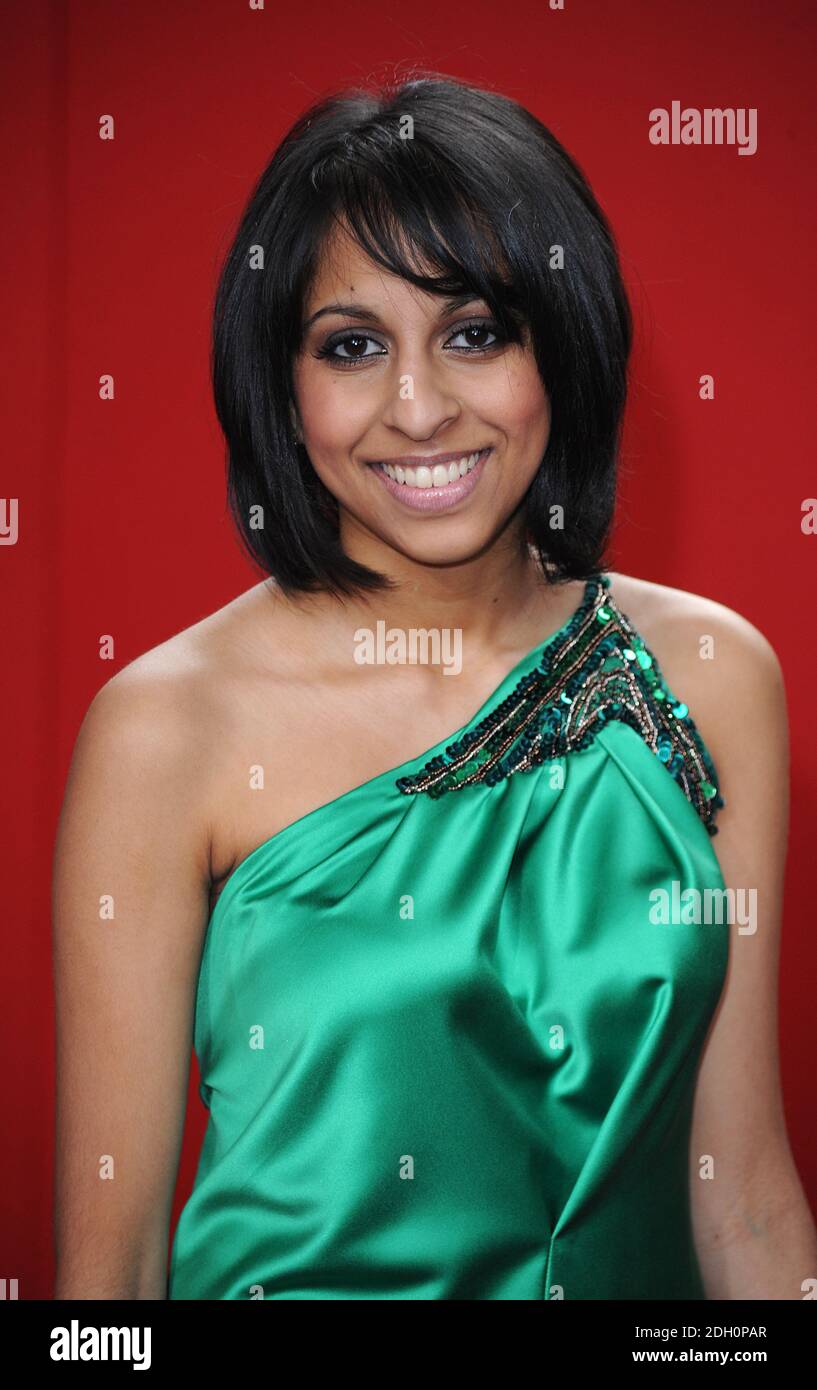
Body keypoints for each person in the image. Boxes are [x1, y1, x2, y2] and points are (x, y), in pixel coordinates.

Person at [52, 72, 816, 1300]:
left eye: (474, 332)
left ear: (557, 344)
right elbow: (109, 1280)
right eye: (352, 346)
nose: (418, 409)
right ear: (282, 385)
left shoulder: (715, 679)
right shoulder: (163, 727)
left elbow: (744, 1201)